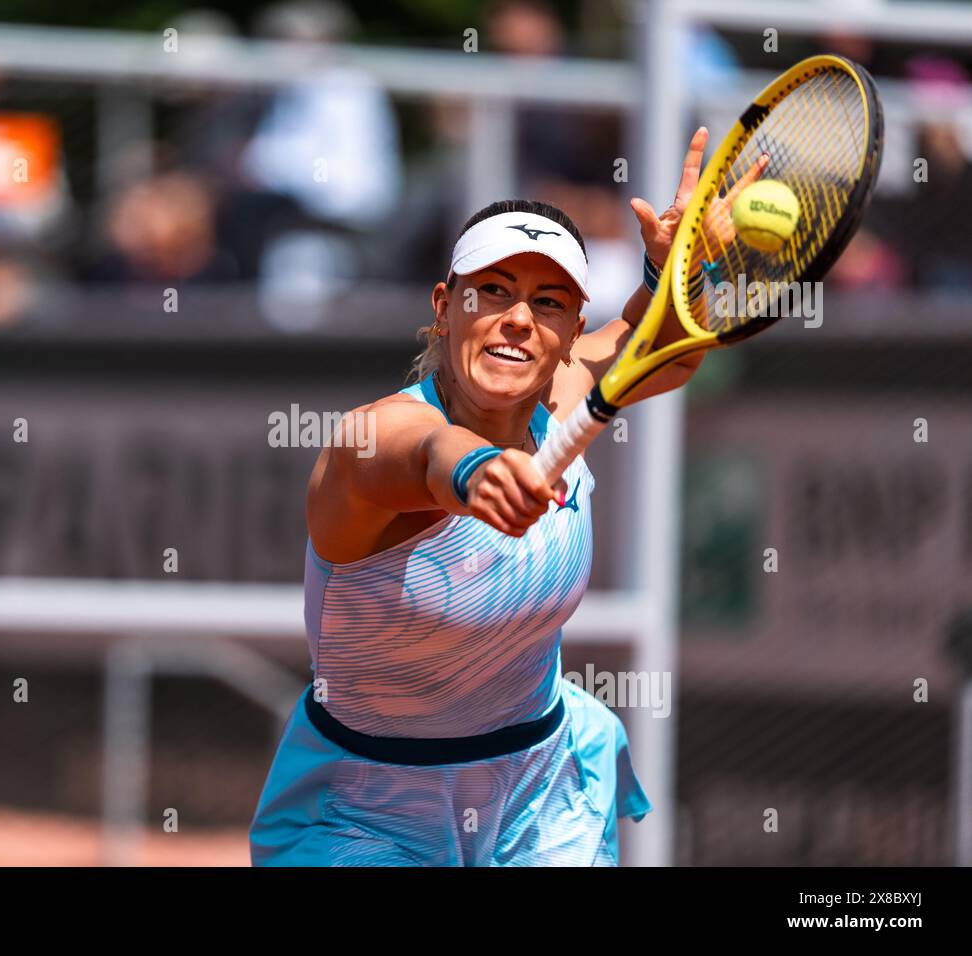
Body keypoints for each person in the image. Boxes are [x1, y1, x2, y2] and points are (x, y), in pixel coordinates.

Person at [249, 129, 735, 866]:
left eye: (547, 302)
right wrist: (474, 470)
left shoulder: (566, 394)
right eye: (494, 291)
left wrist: (678, 269)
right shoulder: (374, 434)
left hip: (540, 793)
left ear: (573, 331)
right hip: (362, 811)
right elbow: (413, 450)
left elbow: (669, 344)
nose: (518, 318)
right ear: (445, 305)